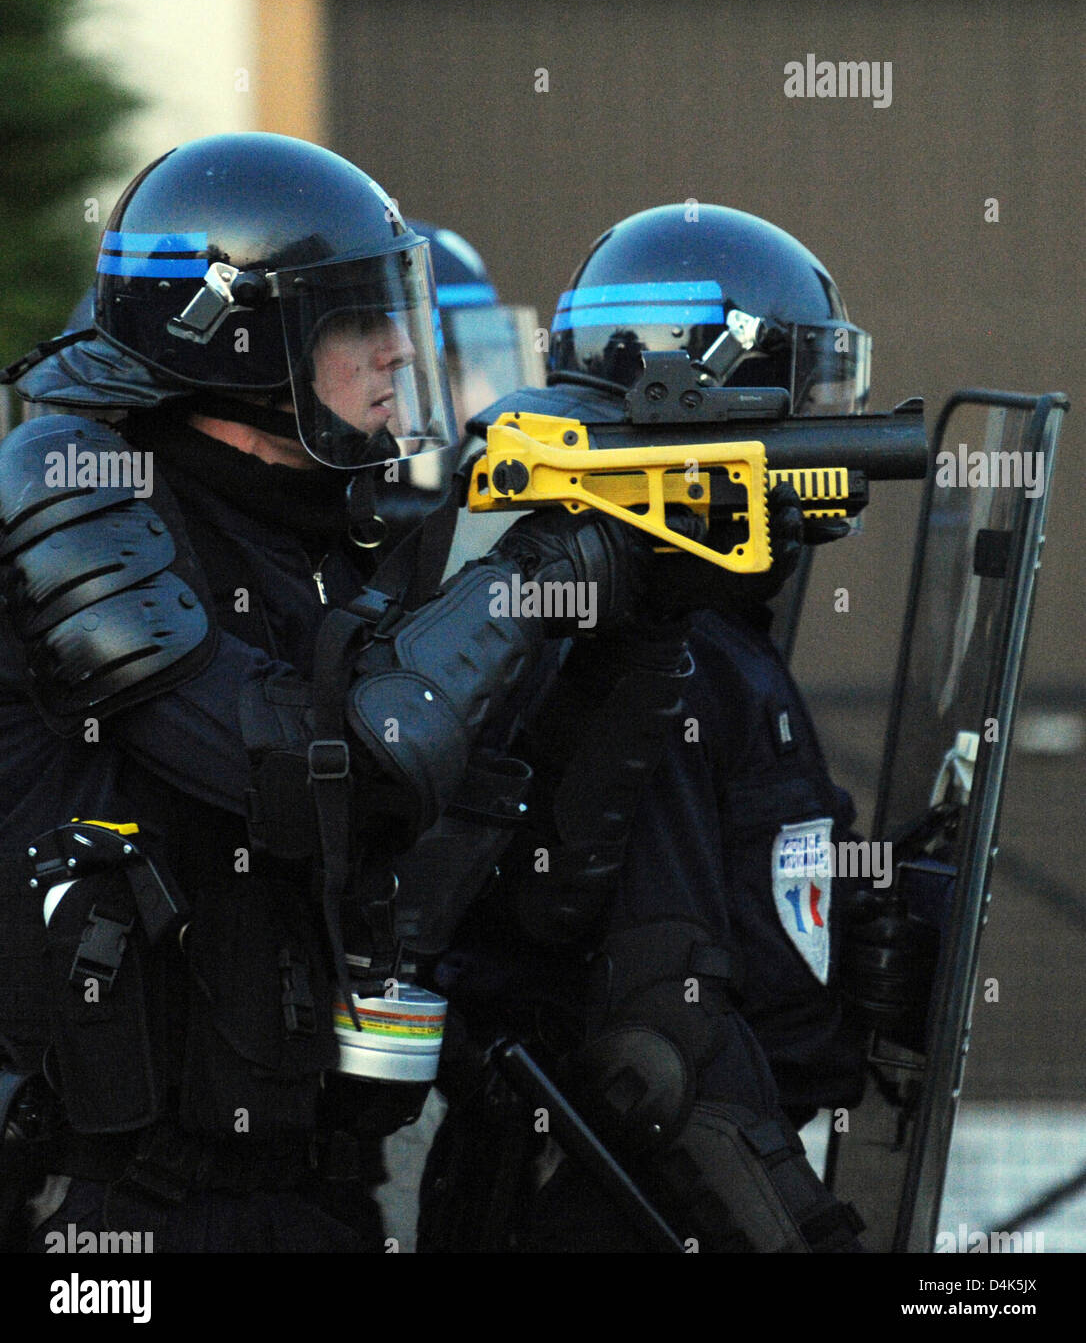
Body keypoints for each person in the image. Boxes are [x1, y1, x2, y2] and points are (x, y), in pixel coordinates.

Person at [0, 132, 657, 1253]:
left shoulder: (317, 532)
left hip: (306, 1187)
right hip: (119, 1215)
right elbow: (321, 773)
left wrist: (638, 569)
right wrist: (537, 572)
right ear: (240, 342)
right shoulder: (80, 501)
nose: (404, 349)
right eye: (358, 320)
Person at [419, 204, 877, 1253]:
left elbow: (741, 902)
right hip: (619, 1206)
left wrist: (881, 915)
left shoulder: (718, 635)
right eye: (814, 389)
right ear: (724, 398)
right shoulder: (663, 655)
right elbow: (661, 1052)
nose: (836, 423)